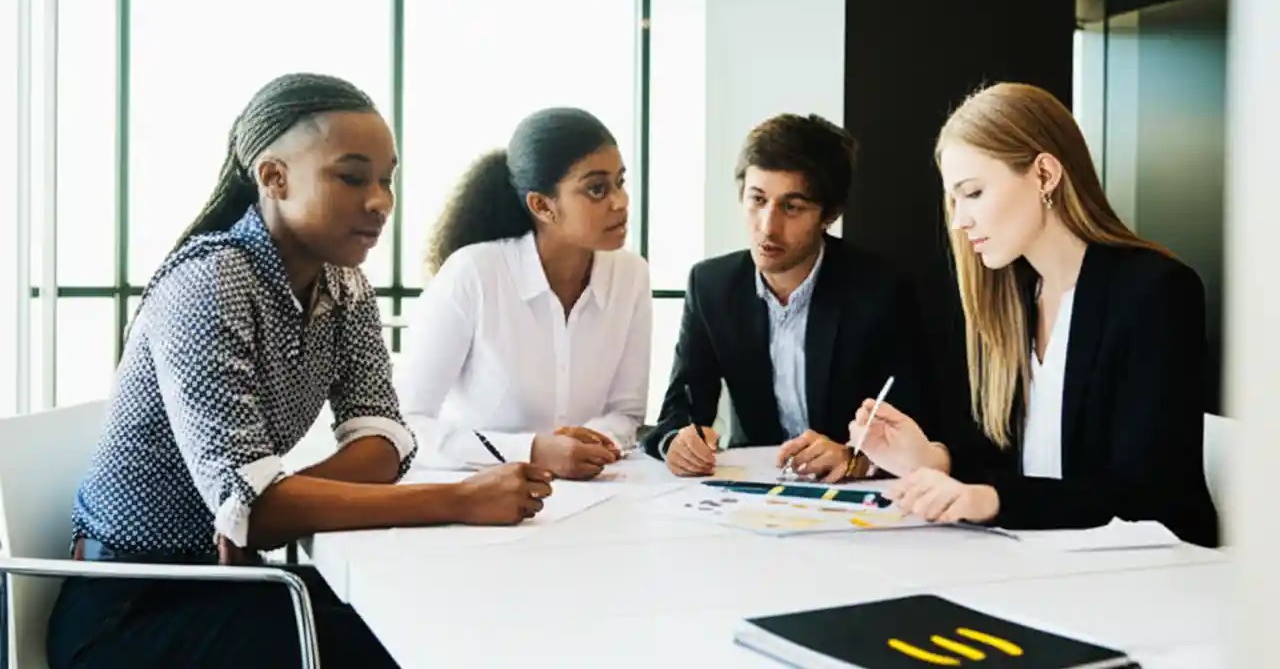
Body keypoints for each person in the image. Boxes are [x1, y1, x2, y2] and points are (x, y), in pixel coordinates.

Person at [46, 73, 553, 669]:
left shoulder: (345, 285)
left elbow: (384, 445)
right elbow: (259, 511)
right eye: (351, 176)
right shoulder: (209, 285)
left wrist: (277, 502)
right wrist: (457, 500)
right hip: (127, 611)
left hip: (233, 584)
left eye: (387, 179)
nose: (381, 200)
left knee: (441, 618)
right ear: (274, 177)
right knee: (402, 649)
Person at [852, 82, 1219, 547]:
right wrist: (935, 461)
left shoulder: (1155, 293)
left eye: (974, 193)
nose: (960, 221)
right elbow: (1025, 471)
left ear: (1045, 174)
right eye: (954, 201)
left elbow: (1145, 497)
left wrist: (992, 501)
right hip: (1043, 568)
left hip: (1148, 577)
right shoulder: (1015, 296)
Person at [643, 113, 932, 481]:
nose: (768, 226)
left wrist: (854, 456)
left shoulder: (879, 289)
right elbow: (679, 410)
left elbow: (917, 421)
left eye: (791, 207)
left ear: (829, 214)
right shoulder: (711, 285)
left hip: (850, 490)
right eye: (757, 200)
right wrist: (677, 443)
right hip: (756, 485)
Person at [398, 108, 650, 480]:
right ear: (542, 205)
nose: (621, 201)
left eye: (620, 182)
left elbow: (626, 414)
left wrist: (595, 440)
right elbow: (404, 426)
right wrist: (531, 451)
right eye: (597, 189)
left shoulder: (631, 275)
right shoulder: (473, 273)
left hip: (593, 495)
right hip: (473, 496)